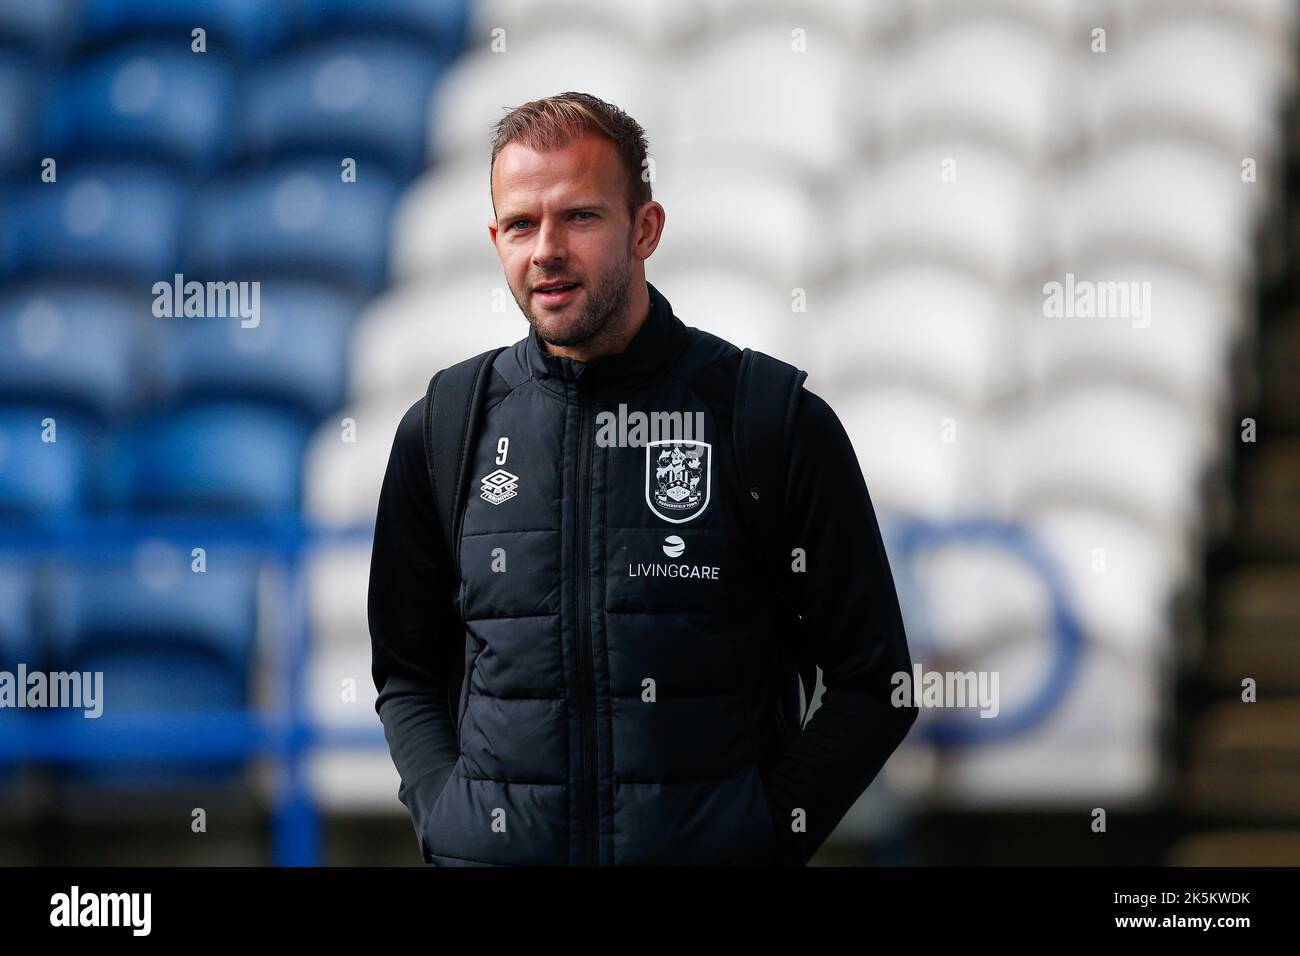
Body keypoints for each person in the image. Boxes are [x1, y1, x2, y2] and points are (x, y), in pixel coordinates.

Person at [368, 91, 917, 866]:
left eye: (580, 217)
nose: (546, 249)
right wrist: (448, 816)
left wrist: (763, 835)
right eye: (521, 224)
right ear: (496, 239)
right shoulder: (446, 425)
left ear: (645, 229)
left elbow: (876, 681)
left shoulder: (766, 418)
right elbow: (404, 670)